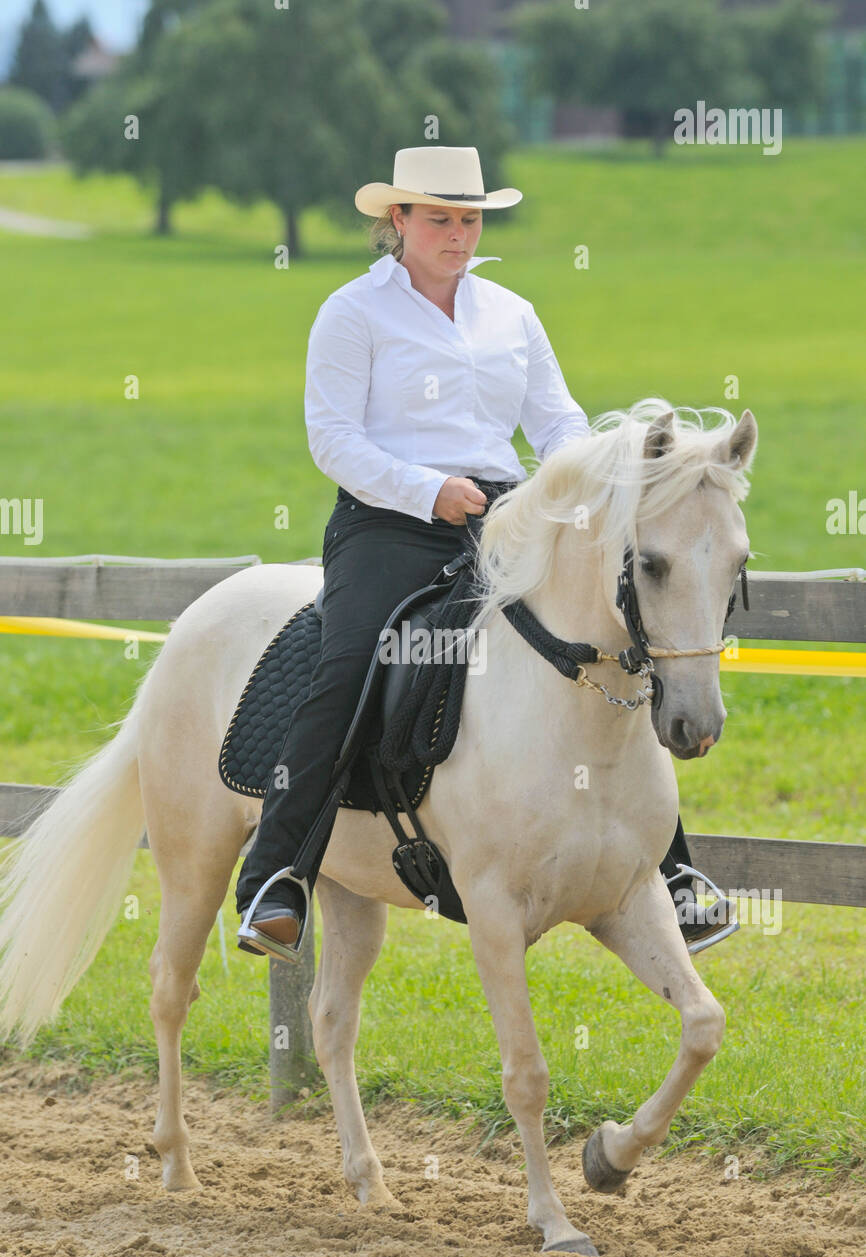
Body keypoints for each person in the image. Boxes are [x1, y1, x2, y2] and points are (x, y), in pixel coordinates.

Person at [235, 145, 732, 962]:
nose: (458, 235)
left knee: (614, 644)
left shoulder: (512, 313)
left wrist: (579, 484)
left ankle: (673, 875)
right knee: (349, 663)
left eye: (469, 219)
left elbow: (559, 423)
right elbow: (332, 437)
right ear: (398, 220)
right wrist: (425, 488)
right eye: (440, 219)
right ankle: (276, 877)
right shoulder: (352, 312)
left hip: (506, 521)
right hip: (388, 524)